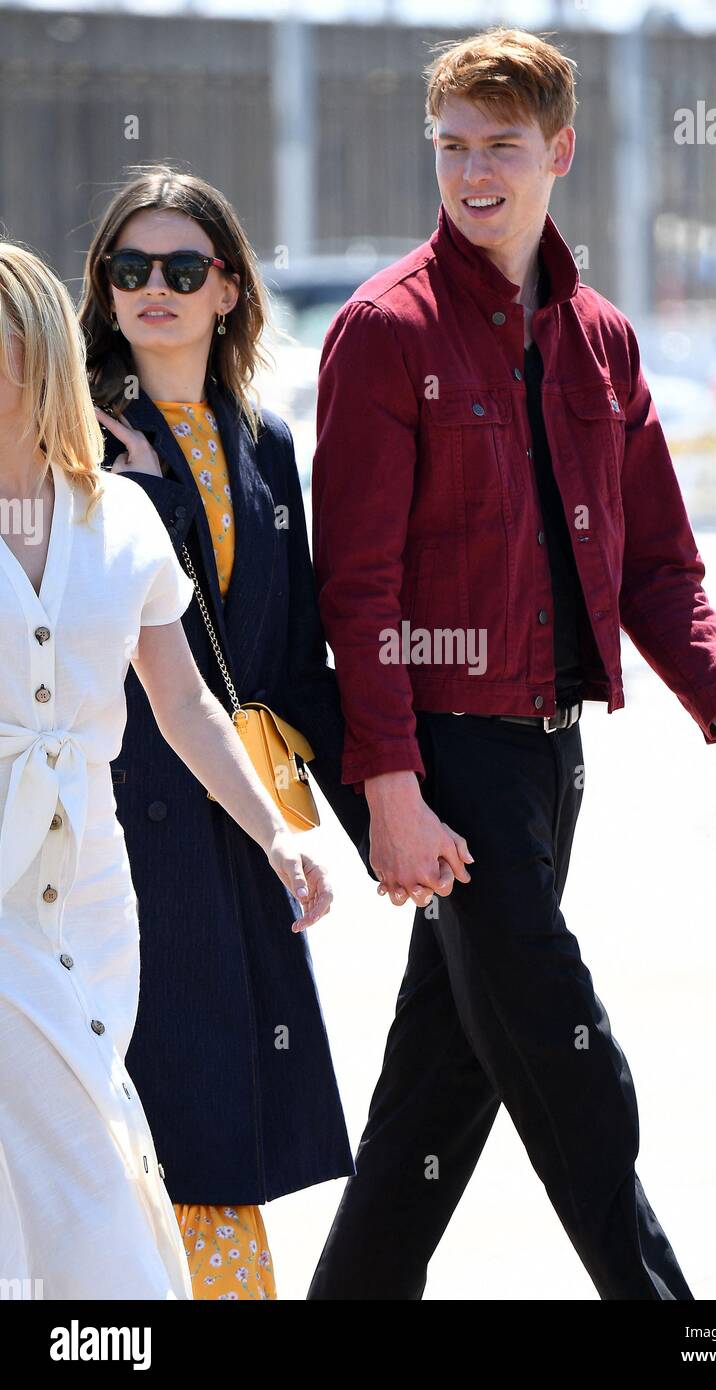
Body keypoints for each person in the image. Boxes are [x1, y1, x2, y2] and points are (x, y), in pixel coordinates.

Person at [307, 27, 716, 1300]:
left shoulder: (601, 340)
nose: (473, 172)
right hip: (443, 755)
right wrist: (388, 784)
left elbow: (658, 563)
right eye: (451, 147)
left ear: (558, 153)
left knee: (443, 1081)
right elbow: (355, 587)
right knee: (568, 1055)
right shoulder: (384, 331)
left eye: (500, 147)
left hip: (552, 758)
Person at [0, 241, 332, 1300]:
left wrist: (274, 833)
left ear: (34, 353)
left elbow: (185, 703)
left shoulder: (123, 516)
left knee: (52, 1153)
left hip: (95, 892)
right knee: (87, 1158)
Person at [77, 165, 371, 1300]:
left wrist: (376, 814)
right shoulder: (67, 439)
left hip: (231, 829)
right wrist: (140, 490)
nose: (155, 287)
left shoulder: (266, 442)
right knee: (125, 1117)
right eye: (129, 268)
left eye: (182, 268)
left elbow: (291, 662)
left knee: (214, 1116)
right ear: (102, 292)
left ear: (230, 291)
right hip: (111, 822)